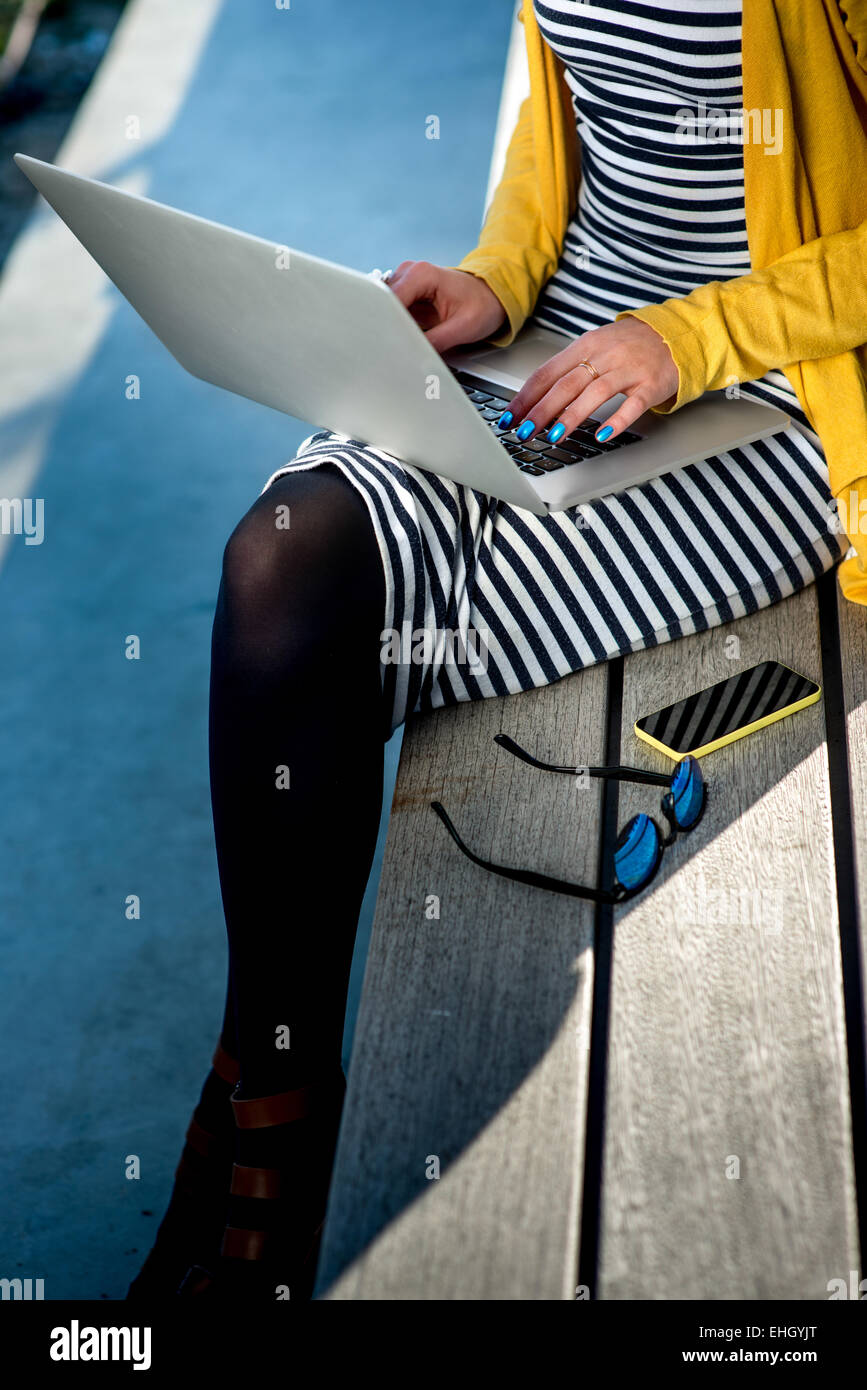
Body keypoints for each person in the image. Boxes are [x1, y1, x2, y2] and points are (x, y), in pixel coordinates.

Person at [127, 0, 867, 1300]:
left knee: (348, 628)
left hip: (781, 383)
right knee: (285, 552)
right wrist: (499, 278)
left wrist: (690, 338)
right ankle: (277, 1072)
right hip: (565, 339)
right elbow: (561, 120)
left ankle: (258, 1149)